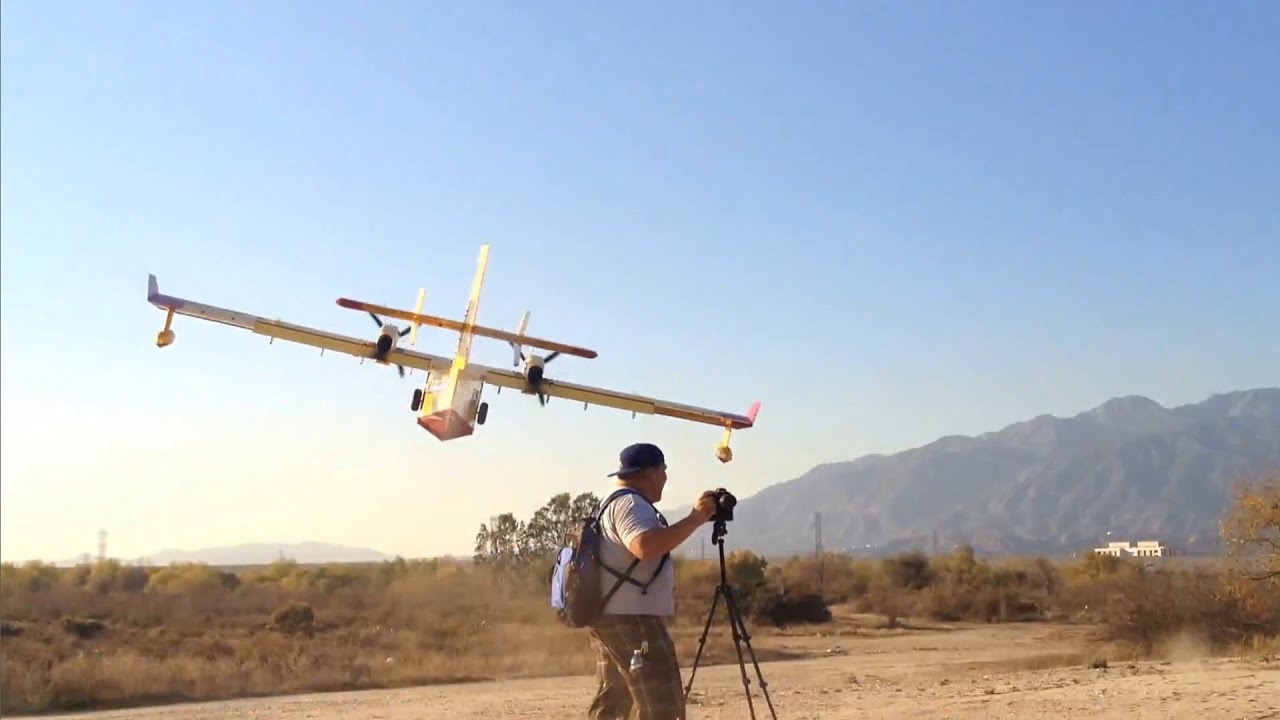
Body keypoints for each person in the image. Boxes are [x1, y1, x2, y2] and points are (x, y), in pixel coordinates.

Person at [587, 442, 717, 720]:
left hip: (613, 617)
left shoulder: (612, 501)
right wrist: (696, 519)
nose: (666, 478)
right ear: (650, 472)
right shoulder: (630, 504)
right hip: (632, 621)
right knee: (662, 703)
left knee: (614, 703)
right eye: (663, 470)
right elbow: (645, 545)